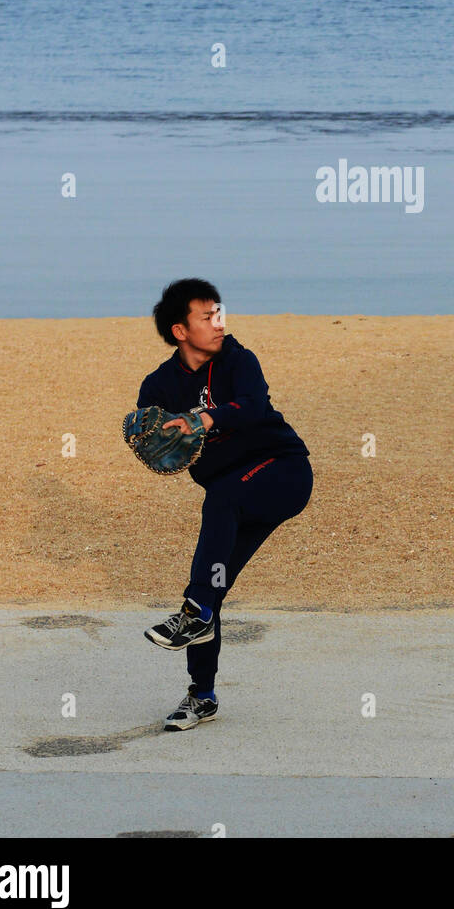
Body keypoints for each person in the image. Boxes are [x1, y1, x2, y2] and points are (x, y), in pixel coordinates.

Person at [136, 277, 313, 732]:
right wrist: (160, 442)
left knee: (221, 500)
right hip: (233, 497)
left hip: (281, 471)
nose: (219, 323)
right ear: (180, 330)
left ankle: (192, 614)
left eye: (220, 313)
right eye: (207, 317)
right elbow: (151, 438)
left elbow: (254, 407)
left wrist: (204, 418)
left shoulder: (239, 360)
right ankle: (202, 695)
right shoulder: (158, 385)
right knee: (212, 588)